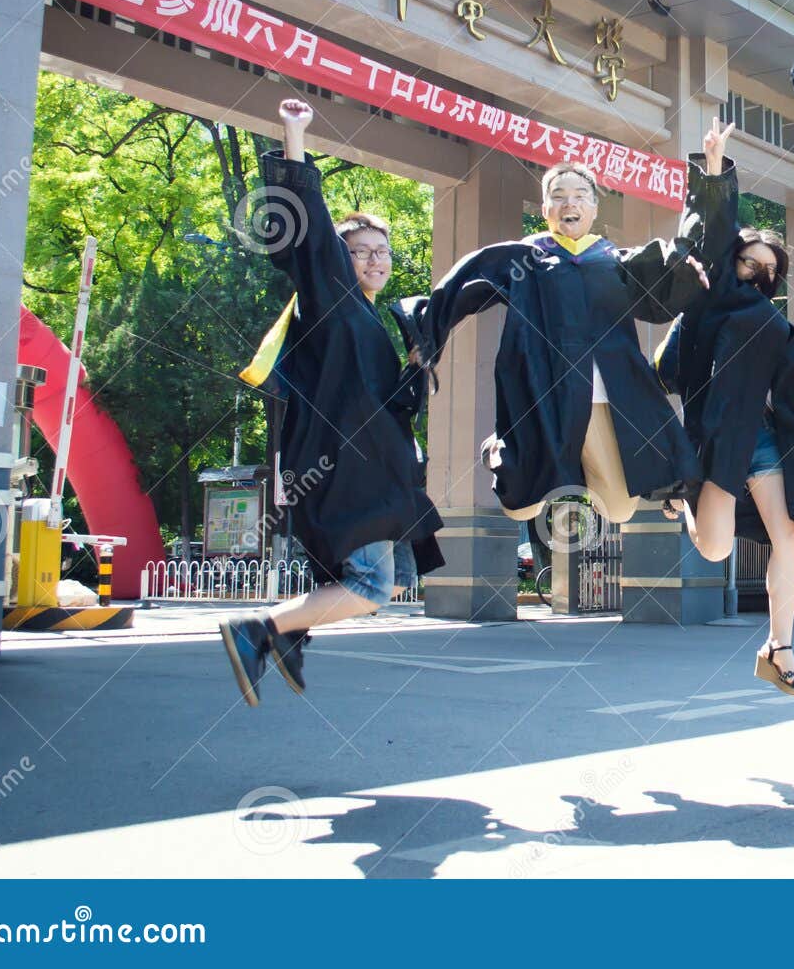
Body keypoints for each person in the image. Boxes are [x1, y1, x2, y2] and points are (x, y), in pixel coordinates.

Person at [218, 97, 444, 706]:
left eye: (383, 251)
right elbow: (313, 231)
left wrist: (414, 368)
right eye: (361, 249)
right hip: (347, 469)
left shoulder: (368, 320)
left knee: (386, 582)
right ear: (339, 261)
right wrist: (294, 136)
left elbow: (387, 402)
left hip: (374, 470)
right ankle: (260, 628)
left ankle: (286, 635)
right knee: (370, 586)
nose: (375, 259)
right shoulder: (332, 297)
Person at [409, 156, 706, 530]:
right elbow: (464, 284)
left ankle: (576, 470)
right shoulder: (526, 258)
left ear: (594, 207)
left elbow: (681, 260)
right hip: (544, 397)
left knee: (619, 510)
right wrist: (426, 336)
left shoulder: (616, 262)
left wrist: (708, 184)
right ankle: (499, 447)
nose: (570, 203)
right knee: (521, 507)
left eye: (581, 195)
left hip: (601, 396)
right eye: (559, 195)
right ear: (545, 208)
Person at [654, 118, 794, 696]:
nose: (760, 273)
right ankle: (684, 499)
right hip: (716, 442)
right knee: (715, 547)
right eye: (750, 263)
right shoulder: (709, 303)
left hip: (766, 440)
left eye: (771, 269)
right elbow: (713, 232)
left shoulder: (779, 326)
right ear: (732, 264)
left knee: (790, 537)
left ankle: (779, 647)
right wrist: (715, 170)